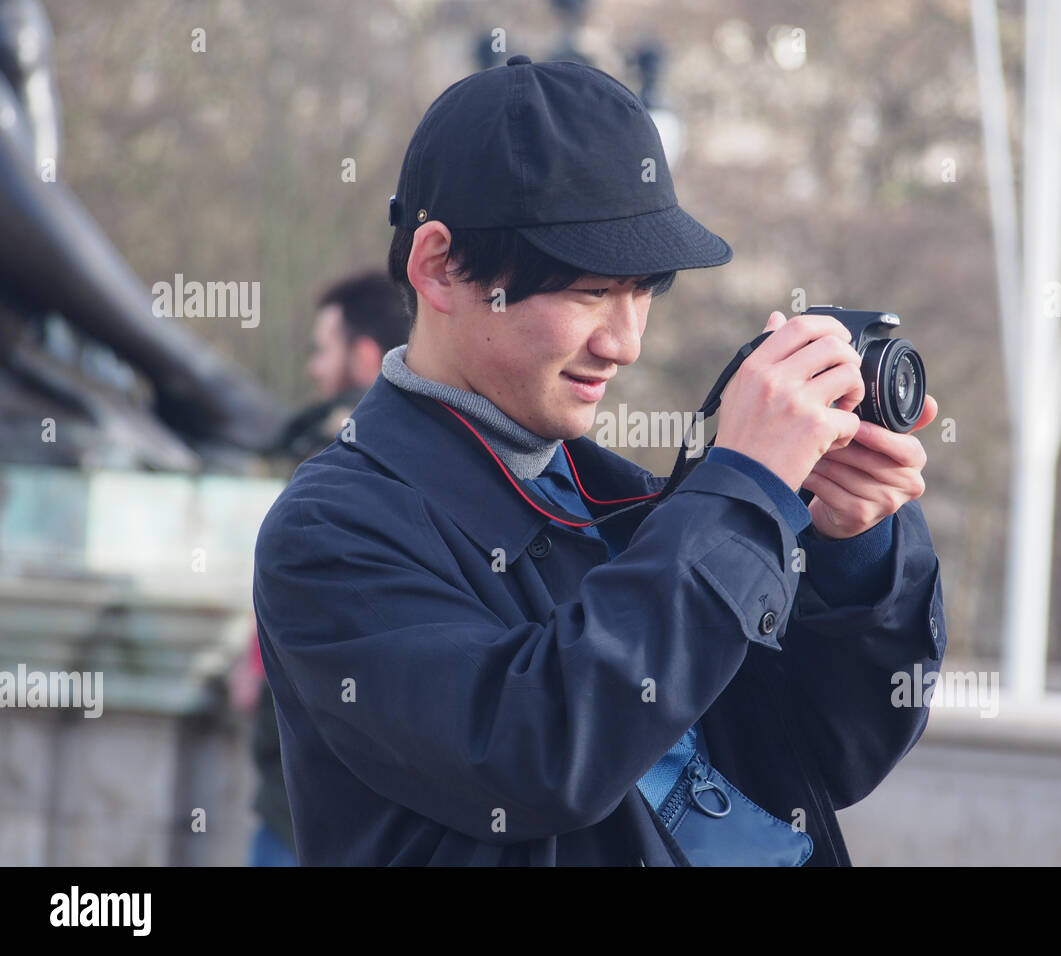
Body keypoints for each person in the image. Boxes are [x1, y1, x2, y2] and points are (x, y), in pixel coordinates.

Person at [253, 54, 947, 866]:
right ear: (438, 266)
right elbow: (536, 753)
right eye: (589, 293)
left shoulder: (628, 500)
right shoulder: (329, 531)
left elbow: (834, 753)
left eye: (644, 291)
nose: (625, 343)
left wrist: (848, 545)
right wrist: (745, 489)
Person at [230, 270, 408, 866]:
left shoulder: (340, 453)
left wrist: (255, 661)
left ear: (362, 354)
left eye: (322, 348)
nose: (312, 367)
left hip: (309, 805)